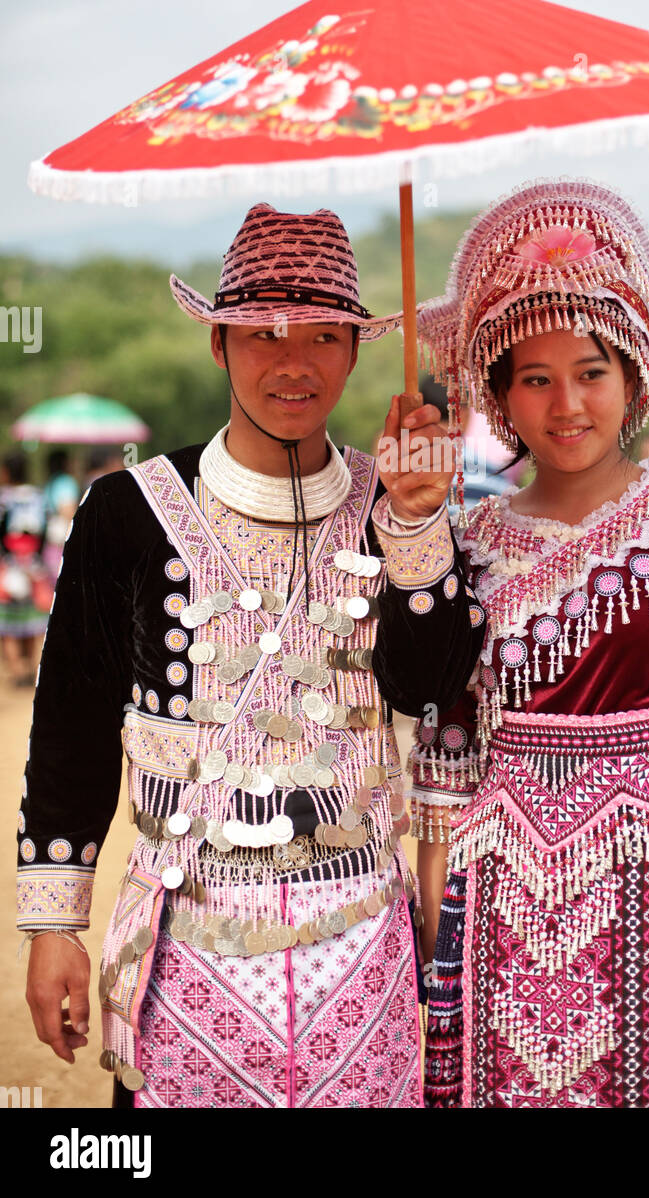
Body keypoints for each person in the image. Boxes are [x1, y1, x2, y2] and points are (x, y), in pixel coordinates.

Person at [16, 202, 480, 1109]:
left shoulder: (396, 504)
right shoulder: (127, 513)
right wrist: (55, 925)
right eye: (264, 334)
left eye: (321, 335)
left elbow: (428, 690)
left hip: (361, 951)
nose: (293, 362)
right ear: (219, 343)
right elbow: (71, 721)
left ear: (355, 350)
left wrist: (419, 523)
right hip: (186, 953)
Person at [373, 178, 649, 1108]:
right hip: (499, 891)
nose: (565, 404)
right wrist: (435, 911)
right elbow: (447, 752)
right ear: (497, 396)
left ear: (635, 382)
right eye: (534, 379)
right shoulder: (470, 543)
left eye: (591, 373)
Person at [0, 452, 49, 686]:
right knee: (34, 621)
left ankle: (18, 671)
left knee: (9, 623)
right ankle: (32, 669)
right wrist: (35, 561)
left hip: (9, 565)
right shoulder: (39, 496)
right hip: (35, 564)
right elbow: (46, 530)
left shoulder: (4, 499)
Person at [42, 448, 80, 581]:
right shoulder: (66, 482)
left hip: (52, 539)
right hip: (64, 539)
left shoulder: (50, 482)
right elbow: (68, 511)